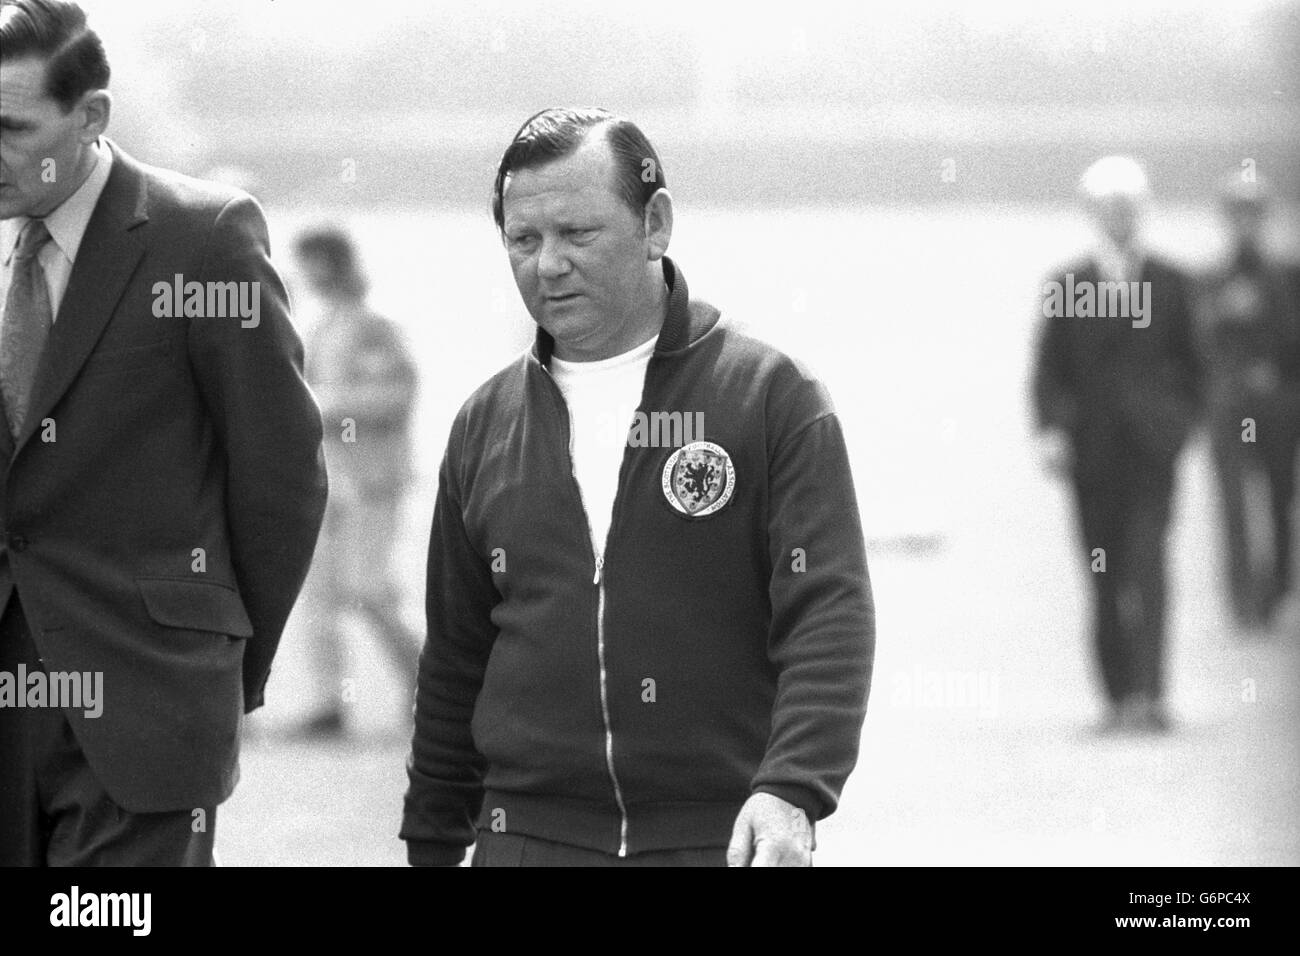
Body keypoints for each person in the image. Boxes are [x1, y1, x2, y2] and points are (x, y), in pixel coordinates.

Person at [401, 107, 875, 867]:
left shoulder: (769, 396)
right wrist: (431, 840)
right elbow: (457, 655)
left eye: (577, 234)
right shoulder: (484, 424)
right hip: (524, 839)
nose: (547, 263)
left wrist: (794, 787)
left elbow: (829, 609)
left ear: (655, 224)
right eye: (524, 240)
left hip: (716, 838)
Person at [0, 0, 327, 865]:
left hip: (144, 702)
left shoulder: (204, 239)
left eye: (9, 127)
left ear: (91, 116)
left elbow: (283, 476)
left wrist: (219, 665)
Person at [1032, 156, 1201, 735]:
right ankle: (1116, 698)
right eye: (1108, 207)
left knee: (1149, 570)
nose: (1119, 217)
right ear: (1092, 214)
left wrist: (1177, 430)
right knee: (1102, 575)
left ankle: (1152, 698)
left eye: (1128, 205)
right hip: (1092, 459)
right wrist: (1053, 431)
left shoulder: (1174, 284)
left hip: (1153, 459)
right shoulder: (1067, 286)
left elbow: (1194, 368)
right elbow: (1049, 371)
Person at [292, 226, 420, 738]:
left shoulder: (374, 325)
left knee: (369, 590)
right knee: (318, 593)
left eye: (314, 263)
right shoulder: (325, 325)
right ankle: (327, 704)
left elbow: (392, 396)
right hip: (330, 483)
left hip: (371, 484)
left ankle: (429, 682)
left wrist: (320, 405)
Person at [1198, 174, 1300, 632]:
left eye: (1252, 214)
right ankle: (1241, 601)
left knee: (1280, 503)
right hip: (1229, 408)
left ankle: (1276, 593)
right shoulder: (1209, 281)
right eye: (1236, 215)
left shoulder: (1287, 278)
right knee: (1233, 507)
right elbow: (1198, 344)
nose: (1245, 223)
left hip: (1278, 409)